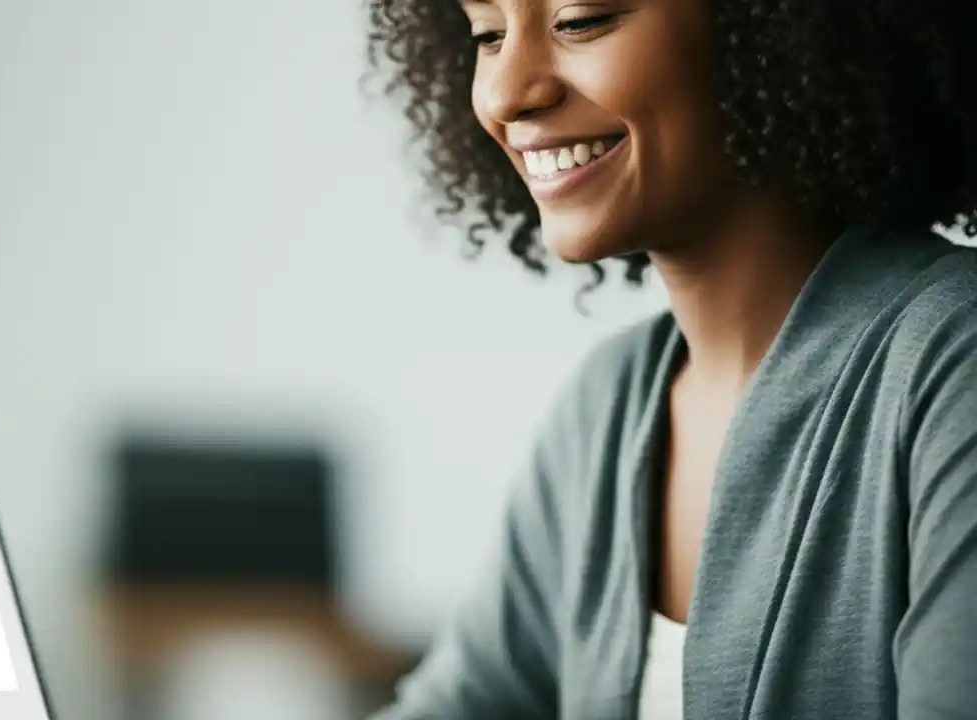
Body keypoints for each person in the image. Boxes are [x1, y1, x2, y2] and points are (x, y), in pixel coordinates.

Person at [365, 0, 977, 718]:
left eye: (581, 19)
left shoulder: (950, 365)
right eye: (488, 35)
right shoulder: (607, 409)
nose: (507, 91)